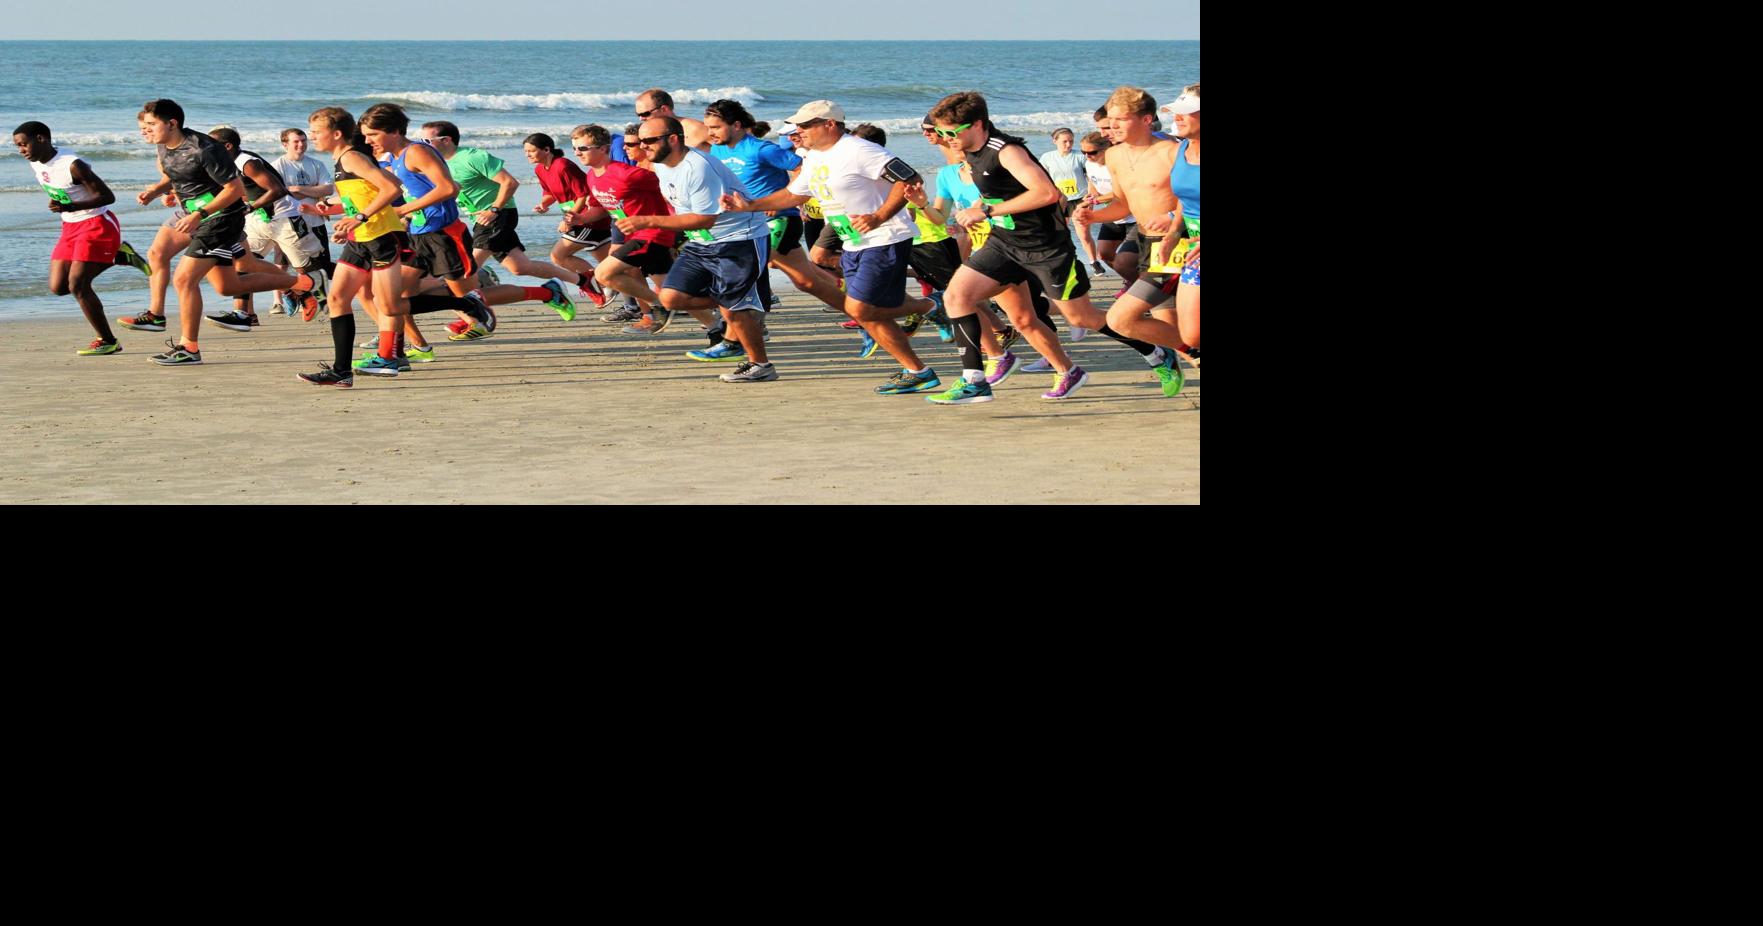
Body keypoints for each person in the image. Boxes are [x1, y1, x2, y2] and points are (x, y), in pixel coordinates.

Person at [924, 91, 1177, 404]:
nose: (946, 139)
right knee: (960, 297)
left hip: (1045, 248)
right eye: (941, 133)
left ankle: (1153, 351)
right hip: (1004, 244)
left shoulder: (1007, 152)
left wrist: (987, 212)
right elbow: (998, 192)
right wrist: (976, 207)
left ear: (977, 125)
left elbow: (1045, 193)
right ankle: (975, 379)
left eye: (951, 132)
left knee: (1081, 318)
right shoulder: (971, 151)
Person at [724, 100, 944, 394]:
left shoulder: (860, 150)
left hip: (885, 237)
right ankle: (918, 371)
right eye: (797, 126)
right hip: (852, 242)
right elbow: (793, 195)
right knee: (872, 312)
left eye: (805, 125)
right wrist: (749, 205)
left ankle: (934, 305)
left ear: (829, 124)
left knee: (860, 308)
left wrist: (879, 216)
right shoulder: (813, 157)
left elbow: (909, 179)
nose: (798, 131)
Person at [133, 99, 326, 366]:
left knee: (183, 280)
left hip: (220, 218)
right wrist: (156, 190)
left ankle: (188, 347)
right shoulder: (163, 146)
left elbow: (234, 189)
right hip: (194, 214)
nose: (146, 130)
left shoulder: (205, 148)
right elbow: (175, 176)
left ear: (172, 123)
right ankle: (301, 283)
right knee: (227, 285)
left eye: (152, 125)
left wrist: (199, 214)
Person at [616, 115, 777, 383]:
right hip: (701, 241)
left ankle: (761, 364)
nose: (643, 147)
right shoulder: (663, 165)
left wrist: (648, 221)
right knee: (670, 298)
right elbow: (682, 208)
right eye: (640, 141)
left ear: (673, 139)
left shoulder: (698, 167)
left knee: (735, 308)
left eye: (649, 141)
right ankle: (744, 298)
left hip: (739, 239)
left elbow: (704, 218)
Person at [1076, 85, 1191, 397]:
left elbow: (1191, 197)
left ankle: (1178, 353)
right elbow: (1125, 205)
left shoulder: (1171, 152)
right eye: (1109, 120)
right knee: (1176, 333)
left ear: (1146, 119)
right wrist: (1093, 217)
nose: (1112, 126)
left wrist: (1170, 216)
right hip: (1144, 241)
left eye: (1120, 119)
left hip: (1176, 244)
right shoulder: (1113, 156)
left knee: (1121, 319)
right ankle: (1174, 355)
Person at [419, 120, 583, 322]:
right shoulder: (439, 164)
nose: (422, 144)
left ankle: (474, 318)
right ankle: (577, 281)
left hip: (499, 215)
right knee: (520, 267)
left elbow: (510, 182)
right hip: (481, 220)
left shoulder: (473, 157)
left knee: (463, 274)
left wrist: (493, 209)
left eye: (426, 140)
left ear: (446, 140)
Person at [704, 98, 846, 320]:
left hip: (779, 219)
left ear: (737, 125)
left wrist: (777, 200)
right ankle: (859, 307)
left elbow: (802, 168)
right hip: (747, 223)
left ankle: (744, 329)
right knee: (805, 281)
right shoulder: (716, 150)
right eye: (708, 128)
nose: (710, 133)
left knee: (745, 268)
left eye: (715, 127)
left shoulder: (761, 149)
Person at [12, 120, 144, 355]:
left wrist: (71, 206)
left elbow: (107, 196)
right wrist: (61, 204)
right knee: (59, 287)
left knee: (78, 285)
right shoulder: (37, 163)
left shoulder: (73, 165)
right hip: (70, 227)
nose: (21, 151)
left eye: (23, 145)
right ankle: (118, 256)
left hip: (97, 224)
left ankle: (108, 341)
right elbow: (61, 192)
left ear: (41, 139)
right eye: (18, 147)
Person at [204, 127, 326, 331]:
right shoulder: (226, 163)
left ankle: (328, 296)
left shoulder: (246, 162)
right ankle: (244, 315)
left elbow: (277, 190)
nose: (207, 150)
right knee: (243, 262)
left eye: (212, 146)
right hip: (259, 220)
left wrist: (249, 206)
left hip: (285, 218)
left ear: (228, 146)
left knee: (310, 267)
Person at [1130, 84, 1199, 368]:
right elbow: (1185, 198)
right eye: (1176, 113)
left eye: (1185, 113)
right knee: (1190, 335)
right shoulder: (1183, 147)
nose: (1177, 118)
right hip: (1192, 246)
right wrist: (1172, 231)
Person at [524, 132, 613, 308]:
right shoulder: (540, 169)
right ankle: (614, 288)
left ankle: (595, 283)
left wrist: (569, 218)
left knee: (558, 255)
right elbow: (549, 192)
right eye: (525, 151)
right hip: (577, 217)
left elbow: (583, 194)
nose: (527, 154)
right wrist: (543, 204)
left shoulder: (563, 165)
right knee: (610, 264)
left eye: (531, 151)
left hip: (588, 218)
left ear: (547, 149)